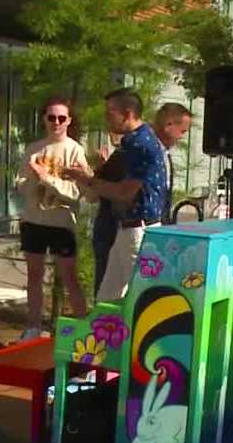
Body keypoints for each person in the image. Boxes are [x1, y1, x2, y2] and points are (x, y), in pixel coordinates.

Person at [66, 88, 165, 302]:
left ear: (128, 113)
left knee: (139, 298)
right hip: (128, 227)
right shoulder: (139, 140)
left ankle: (128, 334)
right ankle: (104, 333)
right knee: (108, 296)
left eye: (110, 112)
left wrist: (87, 180)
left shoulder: (139, 143)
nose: (106, 118)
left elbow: (125, 192)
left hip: (138, 229)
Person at [14, 97, 90, 341]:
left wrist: (48, 178)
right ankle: (34, 326)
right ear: (44, 119)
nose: (56, 122)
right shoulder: (33, 149)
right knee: (34, 275)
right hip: (34, 220)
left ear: (69, 121)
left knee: (70, 278)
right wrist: (34, 179)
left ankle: (83, 333)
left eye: (61, 118)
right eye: (51, 117)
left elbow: (77, 192)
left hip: (62, 223)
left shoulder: (75, 150)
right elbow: (21, 186)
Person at [92, 131, 125, 297]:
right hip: (109, 226)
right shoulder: (118, 157)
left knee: (108, 282)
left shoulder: (123, 155)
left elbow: (93, 191)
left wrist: (98, 171)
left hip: (113, 226)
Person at [152, 103, 193, 224]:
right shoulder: (147, 150)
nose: (182, 137)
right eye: (182, 131)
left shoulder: (165, 154)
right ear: (168, 125)